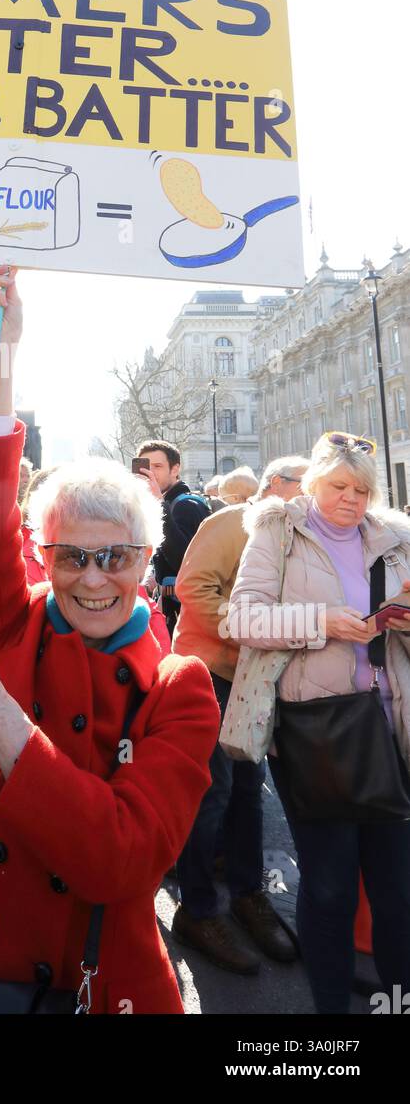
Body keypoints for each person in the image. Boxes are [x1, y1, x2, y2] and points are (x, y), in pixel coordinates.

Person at [0, 268, 218, 1013]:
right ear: (45, 556)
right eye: (70, 555)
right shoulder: (19, 617)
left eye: (116, 557)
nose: (94, 579)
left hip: (96, 981)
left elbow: (118, 860)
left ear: (147, 558)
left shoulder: (181, 686)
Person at [227, 431, 410, 1014]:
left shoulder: (393, 539)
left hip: (393, 730)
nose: (351, 500)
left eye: (361, 490)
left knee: (398, 891)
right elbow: (243, 618)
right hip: (318, 734)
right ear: (313, 481)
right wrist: (323, 621)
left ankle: (398, 1002)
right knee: (330, 888)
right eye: (338, 486)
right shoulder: (277, 531)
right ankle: (331, 1022)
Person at [171, 455, 310, 973]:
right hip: (211, 670)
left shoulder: (296, 531)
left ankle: (248, 895)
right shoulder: (229, 523)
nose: (310, 499)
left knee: (248, 789)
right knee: (213, 791)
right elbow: (192, 590)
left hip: (255, 676)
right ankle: (198, 909)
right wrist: (251, 630)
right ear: (276, 484)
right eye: (305, 488)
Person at [135, 439, 211, 635]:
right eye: (145, 466)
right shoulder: (163, 503)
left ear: (175, 469)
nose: (150, 472)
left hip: (187, 616)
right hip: (171, 609)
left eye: (158, 466)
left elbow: (183, 559)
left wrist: (159, 504)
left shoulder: (186, 505)